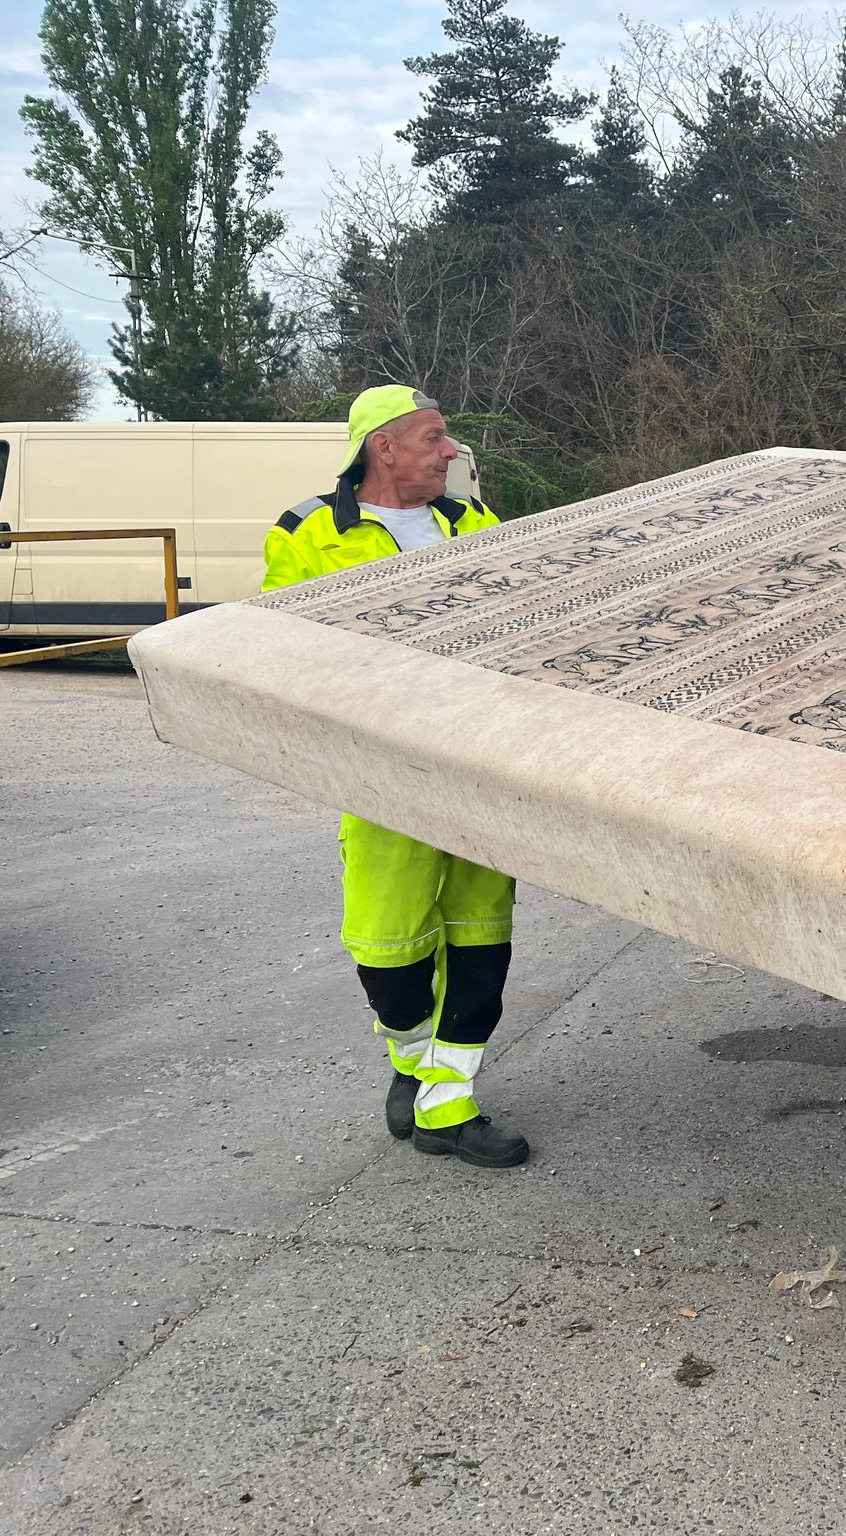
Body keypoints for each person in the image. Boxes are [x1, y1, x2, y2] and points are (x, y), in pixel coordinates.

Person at [262, 385, 528, 1169]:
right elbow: (282, 650)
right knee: (388, 949)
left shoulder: (471, 522)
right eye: (435, 438)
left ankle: (451, 1104)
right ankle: (411, 1065)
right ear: (384, 448)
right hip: (378, 776)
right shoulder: (311, 532)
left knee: (482, 935)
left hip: (479, 763)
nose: (451, 452)